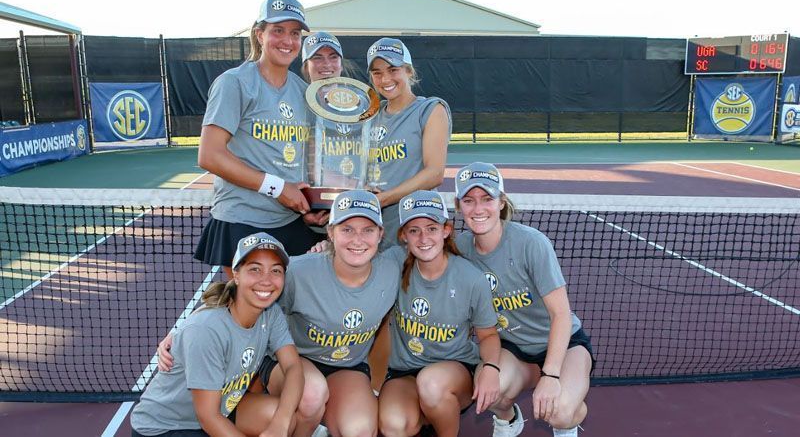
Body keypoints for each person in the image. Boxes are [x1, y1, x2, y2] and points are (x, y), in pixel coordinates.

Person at [161, 190, 400, 437]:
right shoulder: (299, 270)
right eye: (347, 229)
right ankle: (302, 421)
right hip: (292, 361)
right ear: (330, 232)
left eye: (368, 230)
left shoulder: (393, 265)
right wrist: (183, 329)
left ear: (381, 234)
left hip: (347, 367)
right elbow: (244, 292)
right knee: (311, 394)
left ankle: (318, 421)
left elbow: (433, 252)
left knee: (359, 430)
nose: (357, 239)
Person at [453, 162, 594, 437]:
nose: (478, 209)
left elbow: (561, 315)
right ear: (459, 206)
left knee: (561, 411)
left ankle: (567, 421)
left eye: (487, 199)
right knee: (487, 392)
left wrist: (551, 375)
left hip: (563, 345)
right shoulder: (459, 249)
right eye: (469, 201)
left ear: (501, 202)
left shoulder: (531, 243)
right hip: (512, 349)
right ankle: (508, 420)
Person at [194, 0, 327, 279]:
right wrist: (278, 188)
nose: (287, 41)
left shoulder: (303, 92)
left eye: (294, 33)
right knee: (248, 316)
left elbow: (298, 162)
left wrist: (309, 204)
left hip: (290, 221)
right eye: (277, 31)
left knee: (294, 314)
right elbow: (210, 155)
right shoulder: (234, 83)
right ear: (259, 34)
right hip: (242, 220)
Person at [131, 232, 303, 437]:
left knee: (284, 416)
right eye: (255, 269)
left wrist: (280, 425)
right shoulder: (207, 330)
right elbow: (208, 418)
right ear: (236, 274)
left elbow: (293, 367)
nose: (266, 280)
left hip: (222, 408)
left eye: (276, 270)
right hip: (167, 427)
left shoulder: (271, 313)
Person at [377, 190, 501, 437]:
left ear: (446, 230)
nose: (423, 238)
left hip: (454, 371)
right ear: (403, 235)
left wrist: (491, 368)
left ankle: (442, 417)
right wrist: (326, 248)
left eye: (432, 228)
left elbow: (488, 336)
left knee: (432, 386)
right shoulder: (393, 262)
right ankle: (429, 416)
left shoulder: (470, 278)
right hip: (406, 371)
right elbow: (355, 263)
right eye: (414, 230)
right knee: (393, 425)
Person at [365, 37, 451, 251]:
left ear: (409, 71)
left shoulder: (431, 109)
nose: (385, 78)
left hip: (414, 231)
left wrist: (383, 199)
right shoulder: (368, 116)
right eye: (377, 73)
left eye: (393, 70)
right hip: (371, 229)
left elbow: (434, 173)